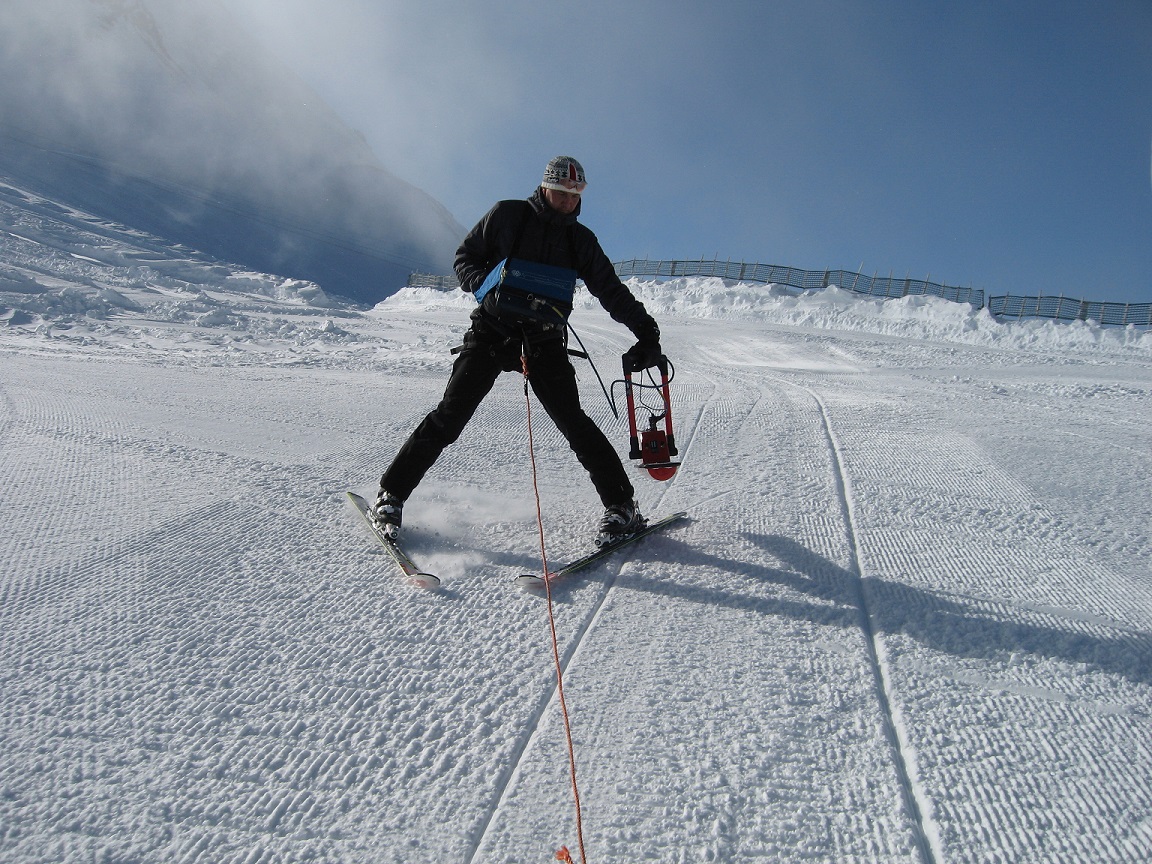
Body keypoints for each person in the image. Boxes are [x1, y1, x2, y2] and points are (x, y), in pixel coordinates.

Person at [373, 156, 664, 546]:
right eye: (561, 193)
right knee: (449, 417)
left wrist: (647, 332)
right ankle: (391, 495)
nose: (567, 202)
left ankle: (622, 507)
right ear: (545, 187)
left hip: (544, 340)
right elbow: (466, 258)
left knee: (573, 422)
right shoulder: (506, 215)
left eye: (575, 195)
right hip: (492, 331)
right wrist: (483, 285)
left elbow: (611, 290)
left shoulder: (581, 241)